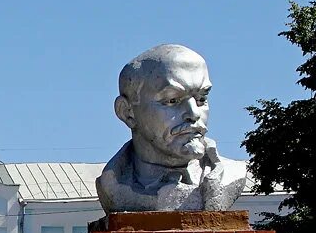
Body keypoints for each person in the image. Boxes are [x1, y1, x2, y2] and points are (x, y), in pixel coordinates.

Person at [96, 44, 247, 213]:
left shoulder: (232, 174)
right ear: (128, 112)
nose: (194, 114)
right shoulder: (113, 185)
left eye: (201, 99)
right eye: (172, 100)